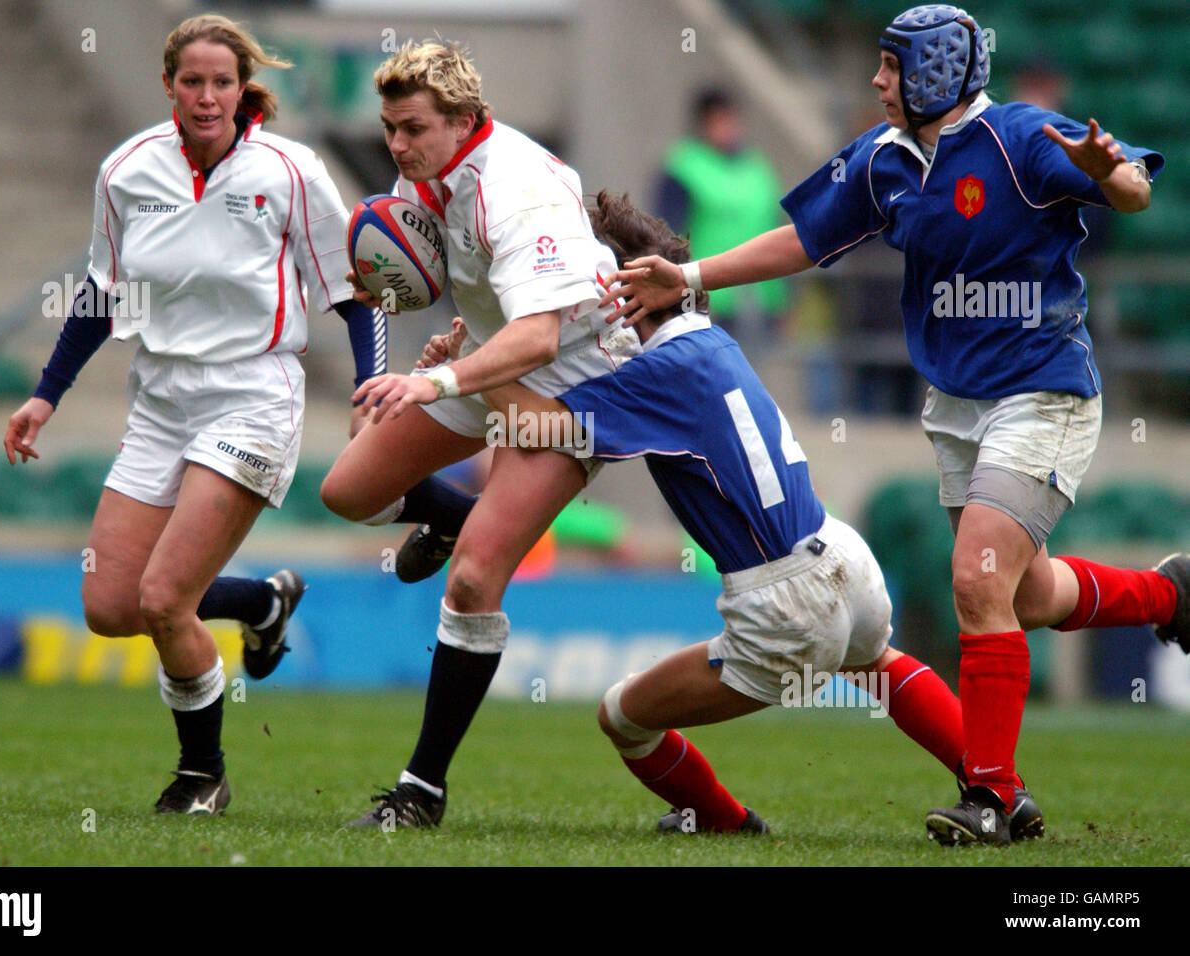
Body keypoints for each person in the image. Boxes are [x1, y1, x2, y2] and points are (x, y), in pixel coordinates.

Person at [602, 4, 1187, 845]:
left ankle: (991, 798)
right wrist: (689, 277)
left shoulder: (1023, 140)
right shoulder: (884, 161)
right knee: (1020, 594)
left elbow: (1132, 185)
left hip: (1044, 388)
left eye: (891, 66)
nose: (877, 81)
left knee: (978, 581)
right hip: (956, 405)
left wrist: (1113, 176)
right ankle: (1170, 593)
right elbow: (804, 240)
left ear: (940, 73)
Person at [428, 190, 1044, 839]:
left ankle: (722, 821)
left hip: (784, 602)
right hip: (840, 555)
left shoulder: (659, 370)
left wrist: (471, 366)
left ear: (628, 296)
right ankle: (1002, 790)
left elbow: (543, 425)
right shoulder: (709, 343)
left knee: (622, 717)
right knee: (880, 664)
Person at [2, 14, 384, 814]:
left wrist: (371, 386)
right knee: (110, 607)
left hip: (254, 394)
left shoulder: (290, 169)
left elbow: (356, 290)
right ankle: (261, 602)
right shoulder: (126, 171)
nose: (208, 98)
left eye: (222, 83)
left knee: (165, 600)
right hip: (161, 398)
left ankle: (201, 775)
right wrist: (45, 393)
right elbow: (104, 295)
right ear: (169, 85)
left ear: (243, 88)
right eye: (192, 82)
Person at [318, 39, 641, 827]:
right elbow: (455, 285)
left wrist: (431, 380)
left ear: (467, 121)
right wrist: (446, 344)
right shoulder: (424, 173)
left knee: (469, 585)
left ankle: (421, 792)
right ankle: (459, 520)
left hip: (576, 383)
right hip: (490, 362)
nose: (397, 146)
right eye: (390, 128)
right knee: (350, 491)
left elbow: (538, 336)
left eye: (413, 128)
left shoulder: (517, 186)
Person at [653, 87, 787, 340]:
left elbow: (776, 225)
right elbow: (665, 235)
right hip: (707, 298)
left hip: (760, 299)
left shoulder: (757, 167)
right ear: (702, 124)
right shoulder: (683, 168)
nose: (727, 128)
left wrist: (784, 297)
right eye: (719, 121)